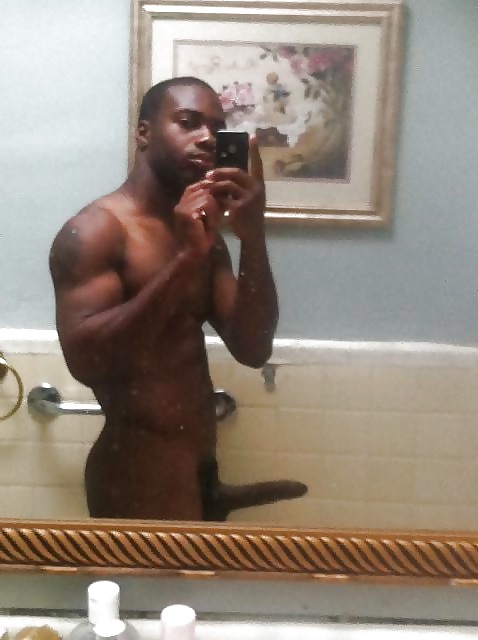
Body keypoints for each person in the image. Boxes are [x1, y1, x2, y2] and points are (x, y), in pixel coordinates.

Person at [49, 76, 307, 521]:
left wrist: (252, 234)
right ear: (143, 132)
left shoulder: (202, 235)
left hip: (199, 472)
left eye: (217, 128)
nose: (207, 137)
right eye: (188, 122)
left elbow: (253, 347)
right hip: (134, 476)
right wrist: (186, 260)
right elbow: (87, 362)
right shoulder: (95, 232)